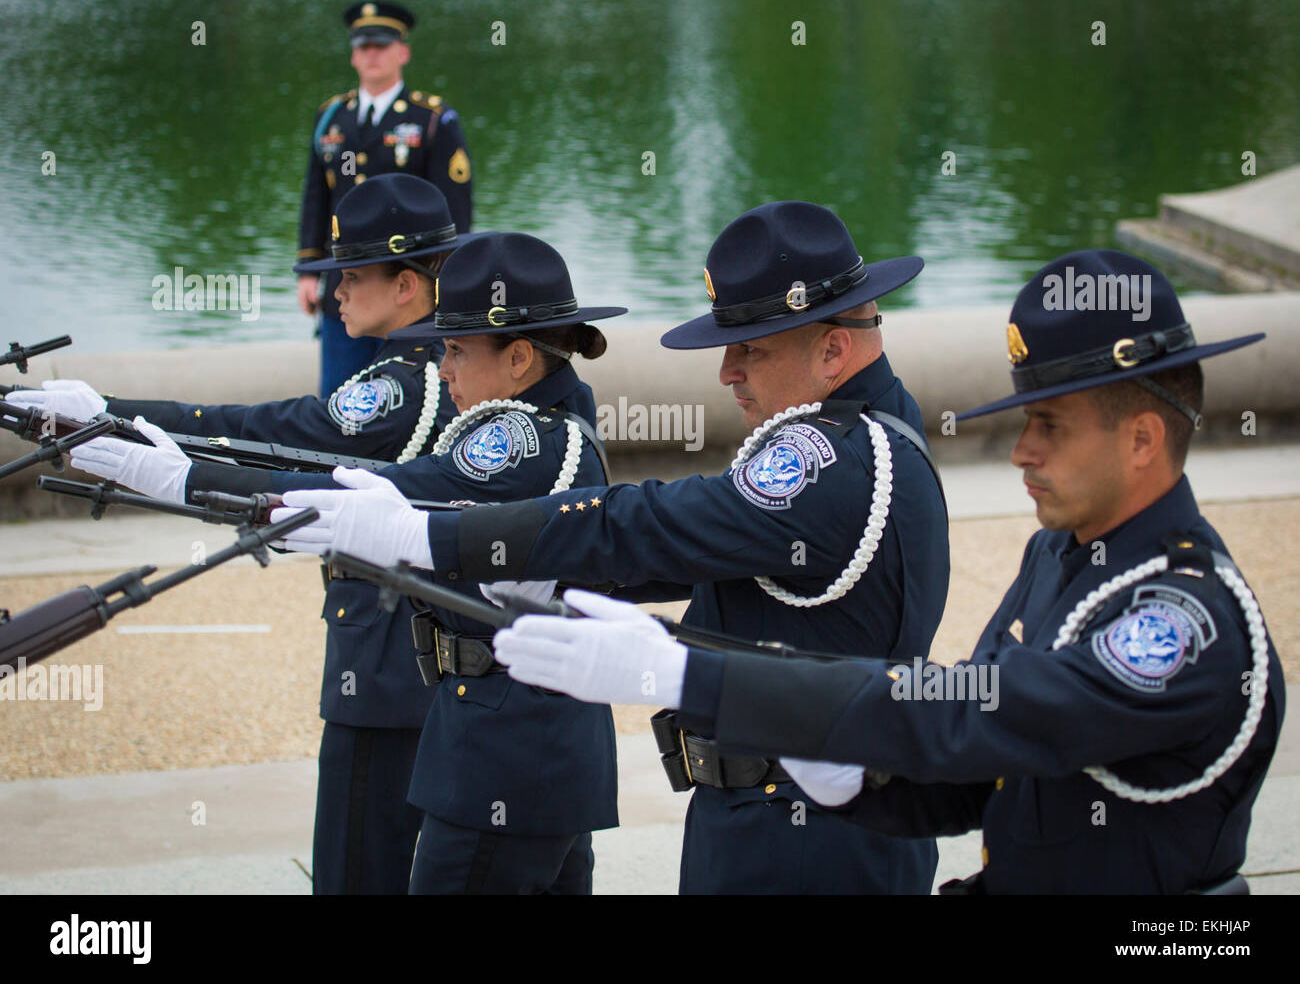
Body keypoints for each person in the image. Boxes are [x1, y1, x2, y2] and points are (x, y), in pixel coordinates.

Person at [494, 249, 1287, 895]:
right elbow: (981, 758)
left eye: (1049, 425)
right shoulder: (1061, 555)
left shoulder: (1187, 619)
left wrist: (698, 677)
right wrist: (859, 780)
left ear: (1142, 441)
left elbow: (997, 710)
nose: (1021, 452)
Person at [271, 201, 952, 895]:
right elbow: (687, 554)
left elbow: (651, 523)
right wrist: (536, 577)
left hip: (804, 846)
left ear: (833, 349)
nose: (727, 372)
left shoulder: (830, 457)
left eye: (751, 347)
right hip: (794, 823)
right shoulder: (867, 433)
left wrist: (431, 534)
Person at [67, 233, 627, 895]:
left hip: (502, 763)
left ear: (519, 358)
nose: (442, 368)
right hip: (536, 755)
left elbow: (363, 500)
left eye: (455, 350)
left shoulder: (521, 441)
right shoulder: (558, 420)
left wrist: (174, 476)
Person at [23, 174, 474, 895]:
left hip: (388, 664)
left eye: (352, 276)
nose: (335, 293)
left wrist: (107, 412)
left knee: (357, 867)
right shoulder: (452, 366)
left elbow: (266, 435)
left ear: (408, 285)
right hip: (437, 666)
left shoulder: (405, 383)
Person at [298, 0, 474, 398]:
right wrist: (308, 270)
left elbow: (454, 208)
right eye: (364, 46)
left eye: (381, 45)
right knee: (338, 399)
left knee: (412, 398)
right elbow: (316, 196)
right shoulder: (331, 117)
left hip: (408, 287)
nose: (372, 54)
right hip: (343, 284)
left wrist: (449, 281)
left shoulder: (432, 118)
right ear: (353, 54)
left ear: (403, 52)